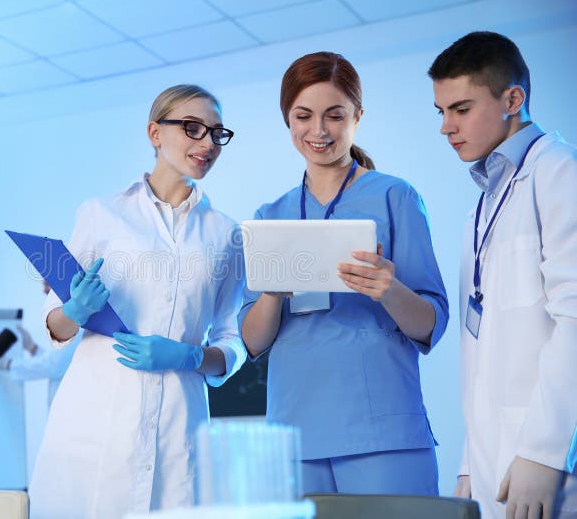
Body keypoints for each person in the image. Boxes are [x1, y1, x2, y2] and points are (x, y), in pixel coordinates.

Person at [27, 84, 246, 518]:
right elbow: (52, 325)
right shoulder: (100, 214)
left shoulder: (226, 233)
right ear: (154, 133)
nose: (206, 144)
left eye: (216, 134)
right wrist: (74, 311)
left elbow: (232, 341)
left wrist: (189, 355)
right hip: (95, 423)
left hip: (177, 428)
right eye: (192, 128)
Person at [239, 52, 449, 495]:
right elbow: (253, 340)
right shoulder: (269, 216)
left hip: (382, 433)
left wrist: (388, 289)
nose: (319, 131)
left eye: (335, 115)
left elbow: (430, 324)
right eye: (304, 116)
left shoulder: (395, 197)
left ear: (358, 116)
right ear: (288, 120)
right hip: (294, 435)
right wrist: (273, 295)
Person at [430, 31, 577, 519]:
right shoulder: (487, 198)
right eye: (442, 112)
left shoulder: (559, 172)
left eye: (462, 108)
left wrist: (545, 449)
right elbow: (481, 340)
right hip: (495, 460)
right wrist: (471, 462)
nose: (447, 127)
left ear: (513, 99)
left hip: (547, 457)